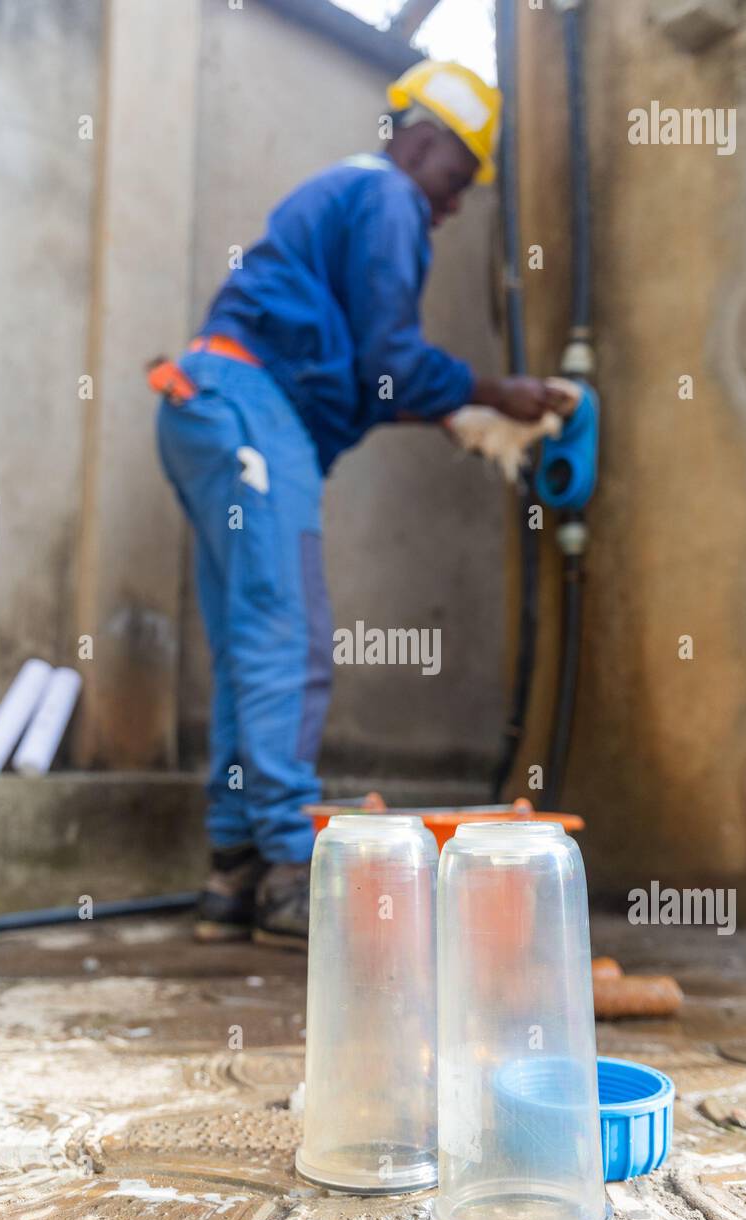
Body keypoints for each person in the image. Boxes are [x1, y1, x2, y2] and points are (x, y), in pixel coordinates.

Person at [155, 60, 573, 949]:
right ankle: (287, 873)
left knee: (246, 643)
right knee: (287, 637)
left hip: (206, 404)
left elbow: (369, 379)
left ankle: (232, 873)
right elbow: (395, 355)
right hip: (250, 411)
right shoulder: (386, 197)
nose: (452, 207)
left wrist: (460, 413)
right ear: (421, 142)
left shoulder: (343, 200)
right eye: (456, 180)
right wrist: (498, 391)